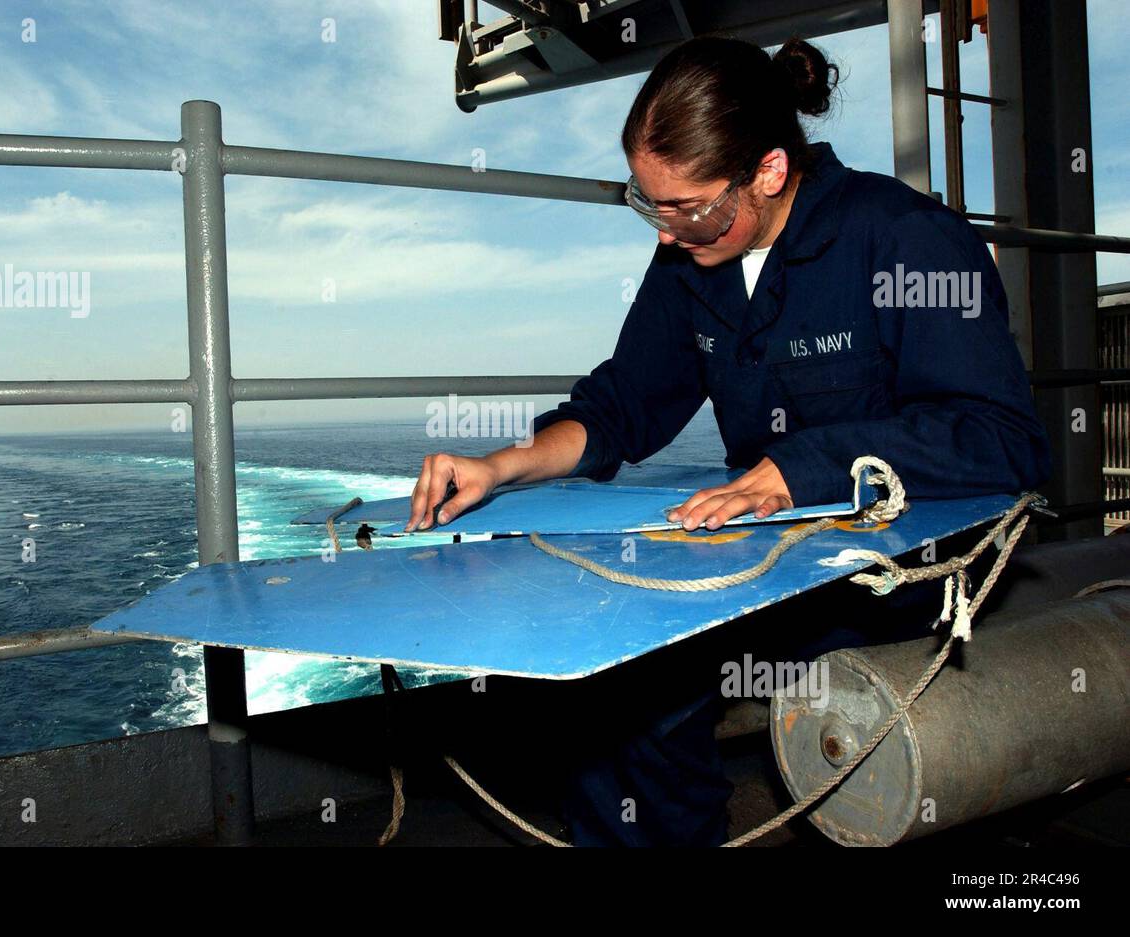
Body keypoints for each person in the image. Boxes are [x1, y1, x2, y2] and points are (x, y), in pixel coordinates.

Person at [405, 36, 1051, 845]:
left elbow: (1003, 440)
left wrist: (798, 468)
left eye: (689, 206)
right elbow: (625, 404)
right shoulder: (691, 253)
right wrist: (500, 464)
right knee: (614, 694)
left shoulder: (905, 239)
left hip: (895, 578)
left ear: (771, 171)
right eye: (651, 205)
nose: (669, 235)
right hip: (767, 572)